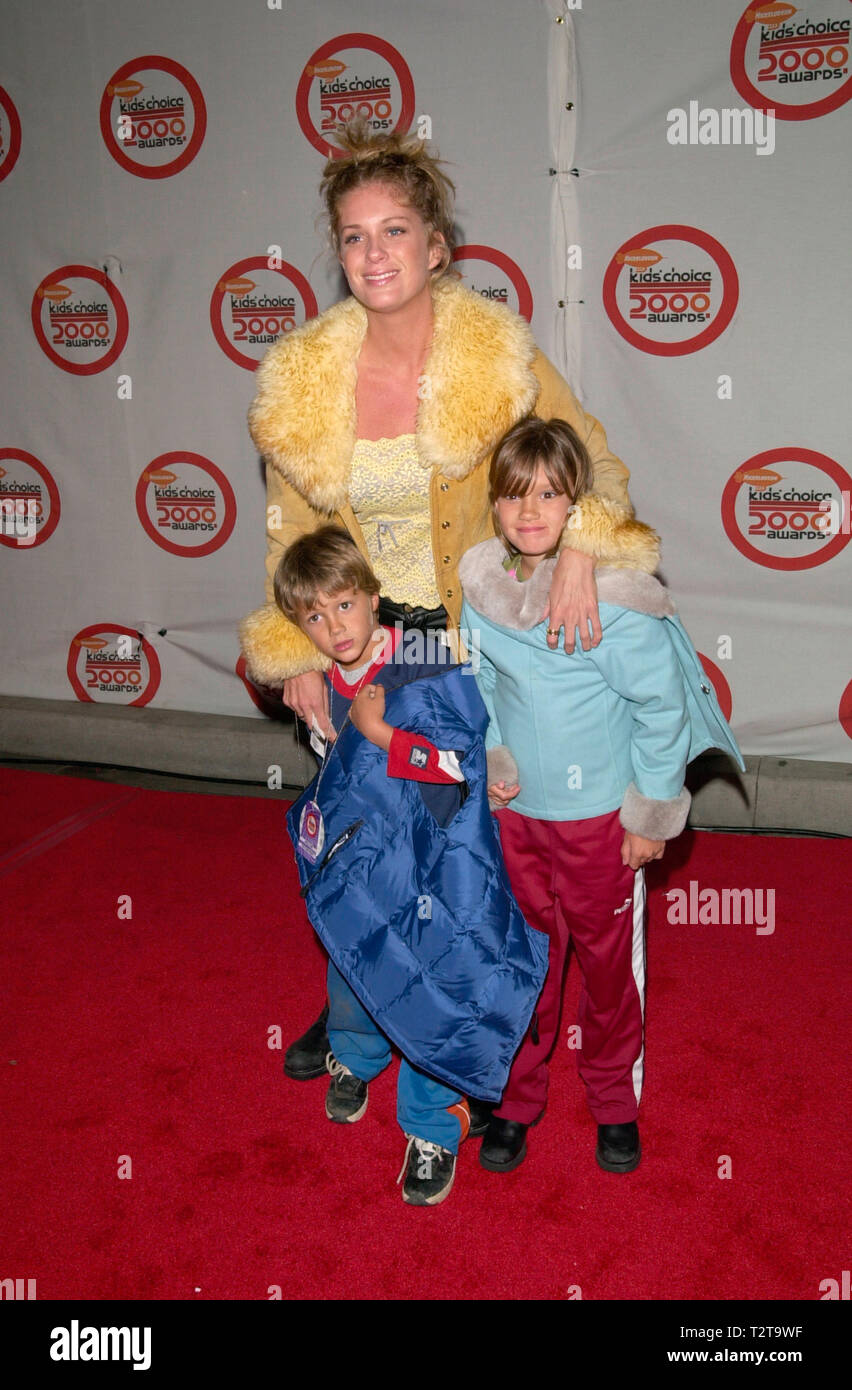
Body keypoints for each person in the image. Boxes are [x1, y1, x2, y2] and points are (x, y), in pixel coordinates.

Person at [239, 118, 641, 1087]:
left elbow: (596, 463)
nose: (374, 252)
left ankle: (469, 1030)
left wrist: (585, 546)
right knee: (361, 847)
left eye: (394, 230)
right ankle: (360, 1012)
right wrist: (294, 654)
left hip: (470, 646)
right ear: (337, 252)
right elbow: (290, 539)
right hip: (358, 647)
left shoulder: (492, 355)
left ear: (436, 245)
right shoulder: (304, 382)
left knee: (465, 857)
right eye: (354, 235)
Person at [458, 417, 745, 1175]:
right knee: (522, 966)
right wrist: (491, 755)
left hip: (599, 829)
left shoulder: (613, 598)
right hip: (516, 820)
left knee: (609, 971)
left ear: (576, 504)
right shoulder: (482, 586)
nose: (529, 512)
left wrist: (651, 814)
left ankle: (613, 1101)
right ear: (493, 505)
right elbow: (477, 683)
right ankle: (517, 1101)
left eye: (549, 494)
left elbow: (662, 709)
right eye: (514, 496)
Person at [274, 525, 548, 1205]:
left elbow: (459, 764)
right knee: (353, 962)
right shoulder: (316, 685)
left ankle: (433, 1125)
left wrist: (380, 733)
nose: (335, 627)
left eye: (344, 605)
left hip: (437, 854)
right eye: (314, 616)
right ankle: (357, 1057)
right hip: (368, 859)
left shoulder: (421, 654)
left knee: (436, 978)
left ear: (372, 596)